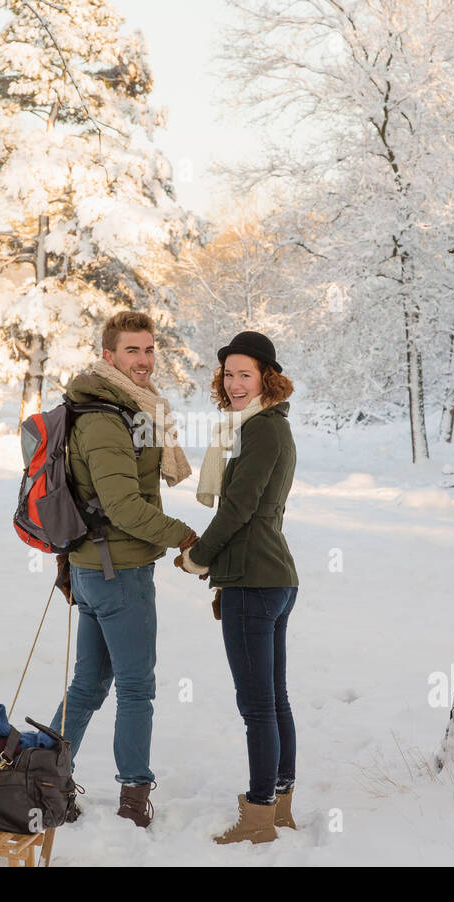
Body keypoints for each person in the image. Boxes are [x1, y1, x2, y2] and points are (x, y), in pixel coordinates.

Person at [50, 310, 198, 828]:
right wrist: (185, 536)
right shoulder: (106, 418)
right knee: (137, 687)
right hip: (119, 573)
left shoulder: (108, 407)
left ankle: (46, 780)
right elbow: (121, 506)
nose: (143, 360)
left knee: (88, 684)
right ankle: (134, 798)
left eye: (150, 349)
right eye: (132, 351)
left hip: (92, 571)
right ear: (108, 356)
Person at [177, 331, 298, 845]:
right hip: (272, 578)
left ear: (266, 377)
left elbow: (238, 509)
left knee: (259, 707)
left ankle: (259, 816)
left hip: (255, 583)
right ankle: (281, 803)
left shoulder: (261, 431)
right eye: (228, 374)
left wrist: (198, 558)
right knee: (274, 699)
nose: (234, 383)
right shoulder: (263, 427)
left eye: (245, 373)